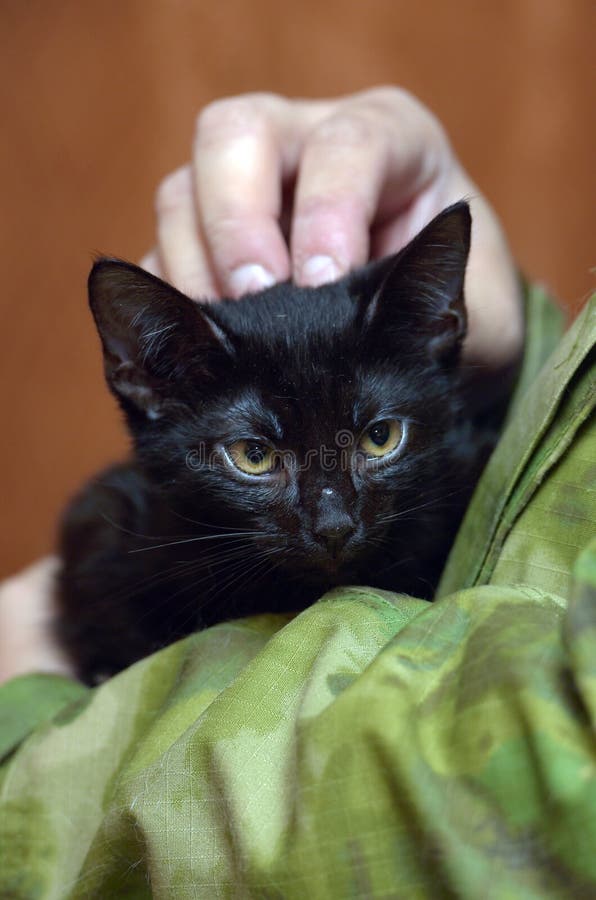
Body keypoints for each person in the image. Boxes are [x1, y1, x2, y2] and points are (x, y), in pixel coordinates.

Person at [0, 86, 524, 684]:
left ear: (440, 341)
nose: (333, 521)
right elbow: (97, 521)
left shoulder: (476, 495)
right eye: (256, 455)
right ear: (150, 386)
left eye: (377, 440)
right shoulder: (129, 572)